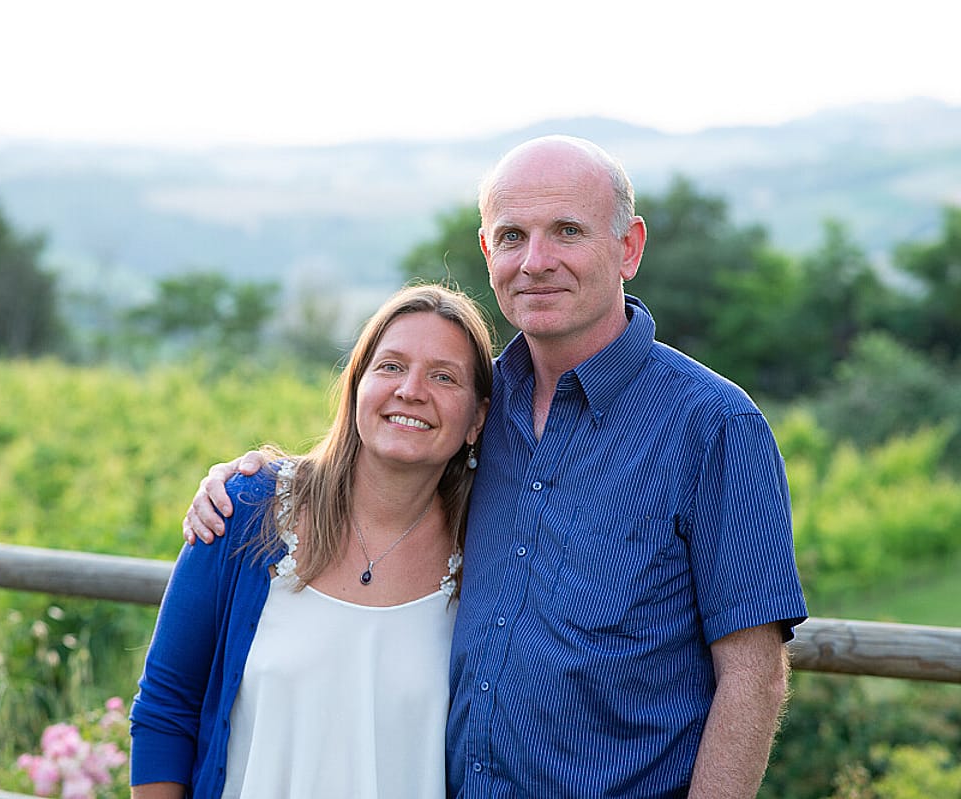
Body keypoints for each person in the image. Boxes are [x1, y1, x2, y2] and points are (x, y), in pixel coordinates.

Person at [183, 135, 808, 798]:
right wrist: (259, 477)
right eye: (512, 236)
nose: (536, 261)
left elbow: (753, 675)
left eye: (566, 231)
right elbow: (372, 466)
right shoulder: (473, 406)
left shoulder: (713, 426)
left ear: (629, 246)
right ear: (489, 253)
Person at [129, 284, 493, 798]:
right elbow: (168, 708)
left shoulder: (491, 553)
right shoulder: (246, 511)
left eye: (443, 376)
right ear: (356, 385)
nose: (411, 390)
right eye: (390, 366)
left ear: (476, 418)